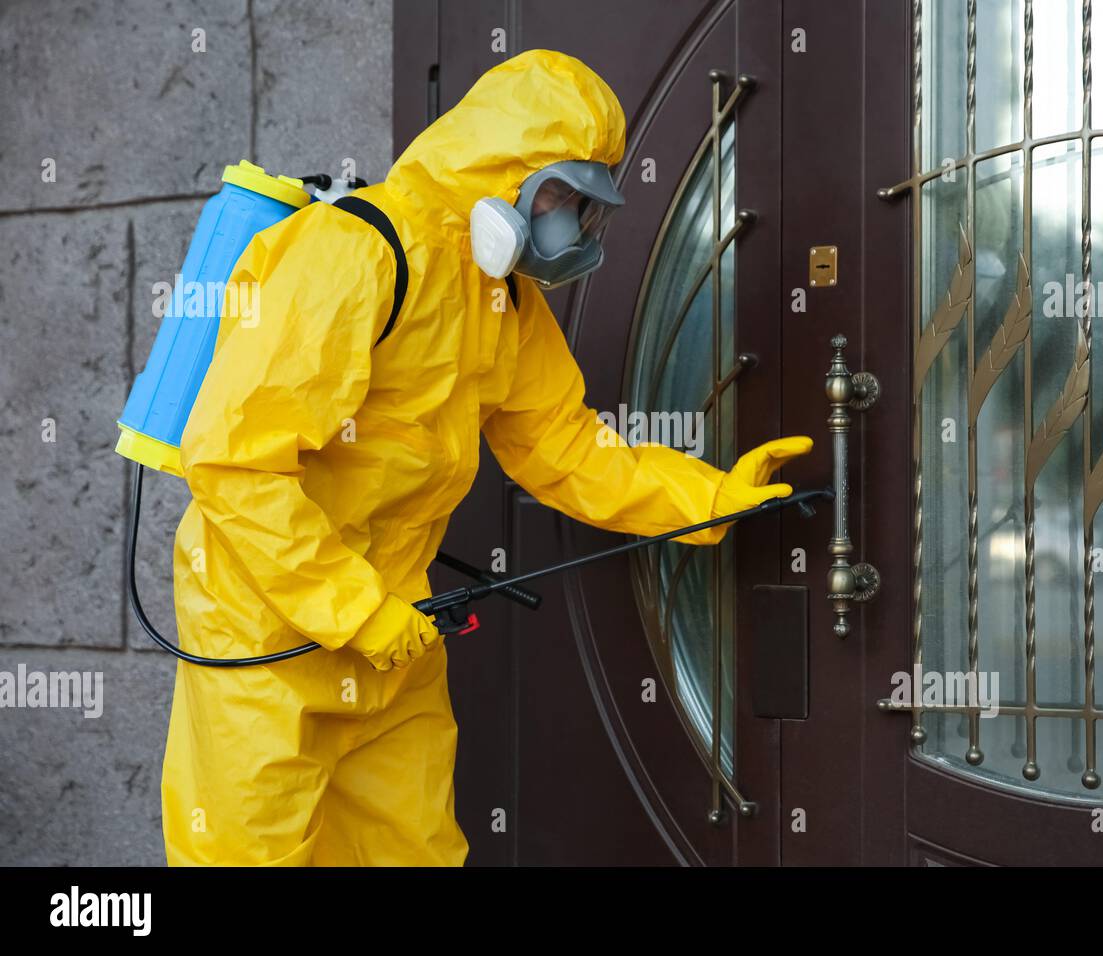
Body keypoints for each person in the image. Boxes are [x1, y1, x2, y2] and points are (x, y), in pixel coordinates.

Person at [160, 49, 812, 866]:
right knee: (251, 857)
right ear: (500, 167)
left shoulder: (503, 299)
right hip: (267, 631)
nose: (571, 224)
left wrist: (709, 500)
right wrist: (353, 609)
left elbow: (565, 448)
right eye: (562, 196)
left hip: (394, 632)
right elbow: (233, 460)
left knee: (414, 852)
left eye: (585, 205)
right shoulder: (352, 254)